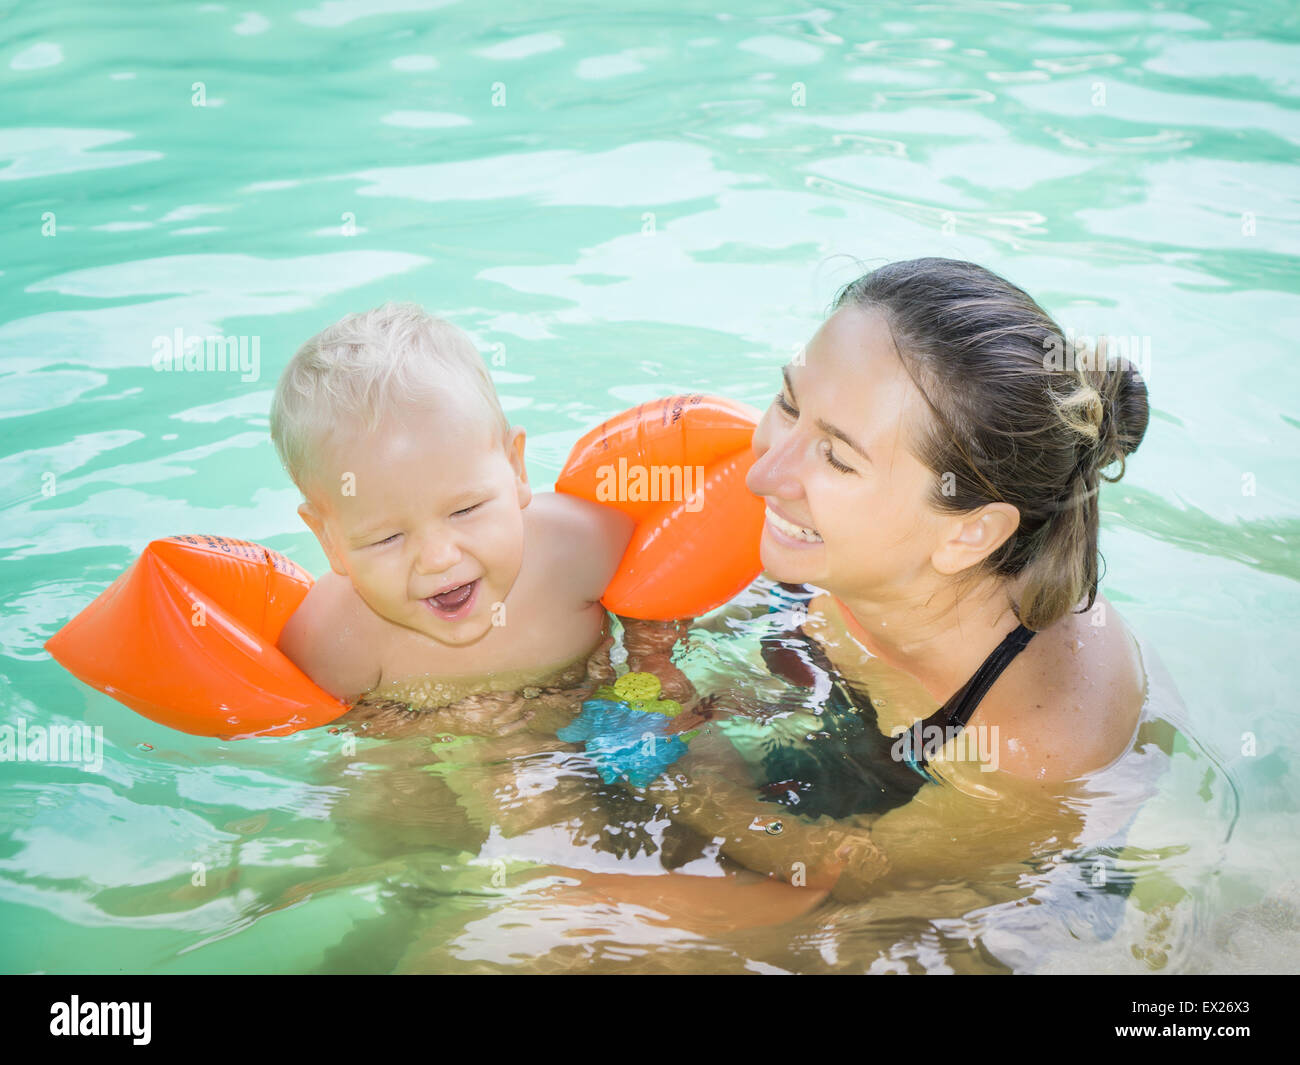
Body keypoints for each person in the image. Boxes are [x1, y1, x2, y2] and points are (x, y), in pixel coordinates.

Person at [741, 257, 1152, 791]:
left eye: (838, 458)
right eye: (788, 405)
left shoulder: (1036, 757)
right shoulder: (818, 526)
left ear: (968, 534)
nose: (760, 475)